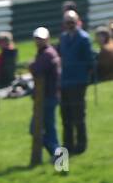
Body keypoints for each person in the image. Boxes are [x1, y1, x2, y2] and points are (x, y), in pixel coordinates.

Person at [58, 10, 93, 155]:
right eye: (67, 22)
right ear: (64, 24)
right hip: (65, 82)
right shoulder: (63, 38)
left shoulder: (84, 38)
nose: (70, 24)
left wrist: (83, 78)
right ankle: (67, 144)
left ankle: (81, 144)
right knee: (65, 115)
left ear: (77, 21)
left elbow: (89, 62)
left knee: (78, 114)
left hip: (78, 82)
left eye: (72, 21)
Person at [31, 27, 62, 160]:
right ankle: (57, 156)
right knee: (50, 129)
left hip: (47, 96)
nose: (39, 41)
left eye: (41, 39)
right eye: (37, 39)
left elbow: (37, 70)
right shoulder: (46, 52)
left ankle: (58, 154)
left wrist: (31, 65)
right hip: (50, 95)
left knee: (36, 129)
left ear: (47, 39)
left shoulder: (47, 54)